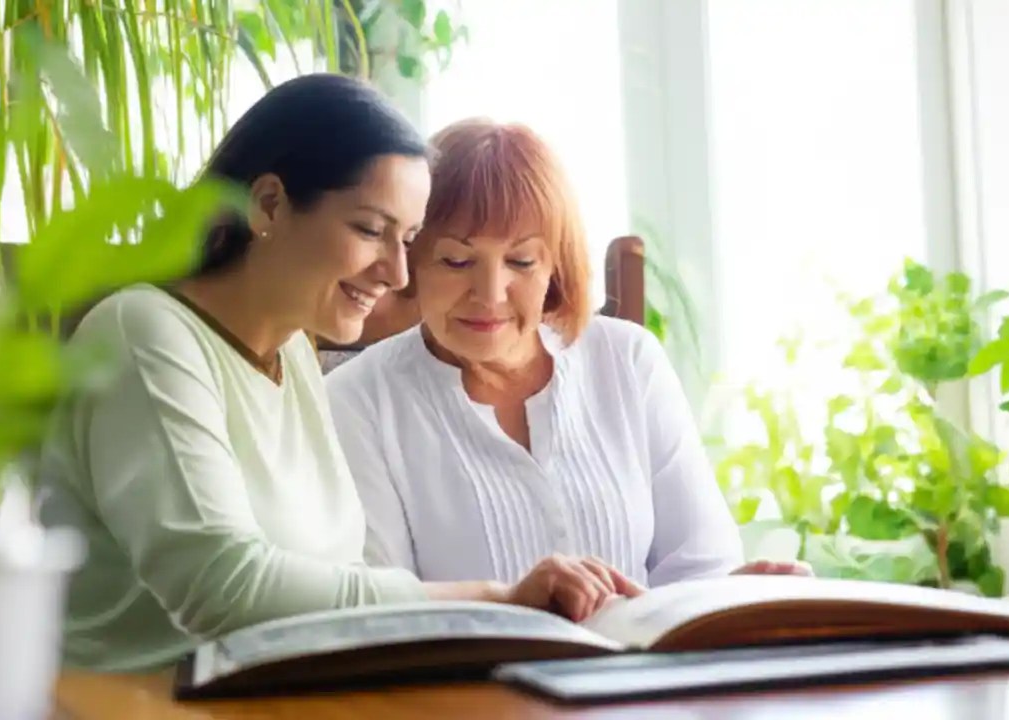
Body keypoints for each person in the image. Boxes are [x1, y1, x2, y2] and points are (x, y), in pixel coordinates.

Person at [37, 77, 641, 673]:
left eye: (408, 240)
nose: (398, 273)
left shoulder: (292, 352)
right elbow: (222, 589)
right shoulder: (144, 332)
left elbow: (336, 579)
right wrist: (493, 599)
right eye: (371, 230)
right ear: (268, 204)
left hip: (280, 695)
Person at [326, 118, 809, 588]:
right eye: (456, 260)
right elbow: (384, 608)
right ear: (412, 258)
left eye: (521, 261)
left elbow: (701, 566)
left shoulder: (628, 360)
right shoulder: (356, 401)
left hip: (649, 647)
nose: (490, 294)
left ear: (554, 266)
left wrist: (735, 594)